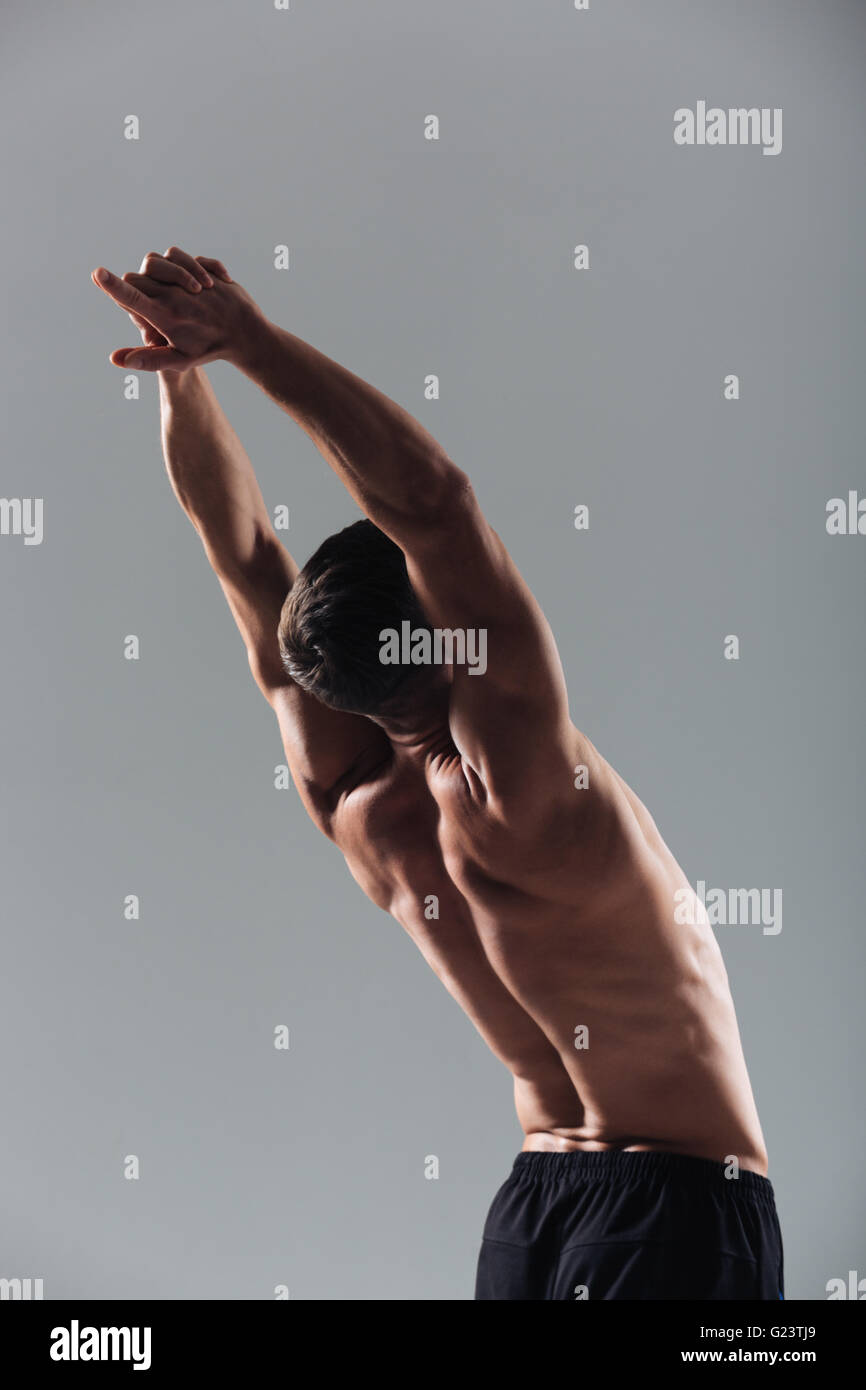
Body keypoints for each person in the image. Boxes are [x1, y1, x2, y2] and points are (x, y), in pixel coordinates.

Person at [91, 246, 784, 1300]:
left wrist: (181, 380)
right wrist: (250, 344)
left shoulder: (343, 794)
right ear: (441, 637)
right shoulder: (526, 784)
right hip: (679, 1201)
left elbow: (235, 548)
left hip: (531, 1202)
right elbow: (435, 501)